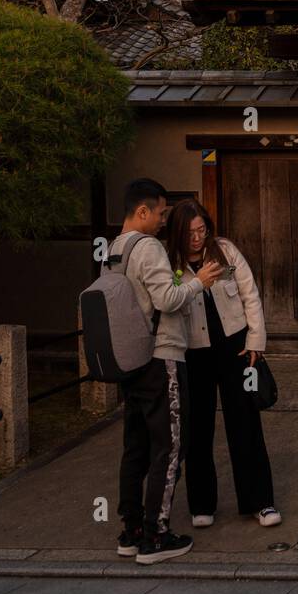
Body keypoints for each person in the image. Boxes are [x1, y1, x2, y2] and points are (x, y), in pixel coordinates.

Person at [112, 179, 223, 564]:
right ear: (142, 212)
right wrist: (197, 283)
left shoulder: (114, 250)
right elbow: (167, 298)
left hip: (132, 361)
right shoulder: (149, 248)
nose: (163, 220)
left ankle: (131, 531)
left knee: (136, 447)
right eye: (160, 212)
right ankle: (156, 535)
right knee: (171, 445)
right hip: (162, 357)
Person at [166, 198, 281, 528]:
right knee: (198, 428)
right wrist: (194, 280)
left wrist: (256, 340)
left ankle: (261, 502)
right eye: (190, 233)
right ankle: (202, 504)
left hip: (236, 348)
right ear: (178, 233)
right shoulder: (171, 263)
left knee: (245, 422)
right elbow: (168, 299)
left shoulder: (225, 252)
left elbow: (250, 294)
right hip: (193, 352)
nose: (198, 238)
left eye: (202, 229)